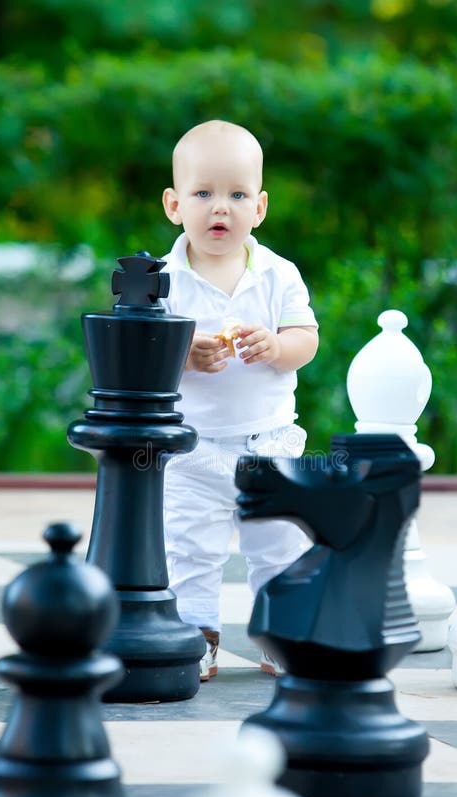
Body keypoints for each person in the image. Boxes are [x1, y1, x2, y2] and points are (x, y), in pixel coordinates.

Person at [160, 120, 319, 680]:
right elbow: (142, 353)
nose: (219, 208)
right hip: (190, 448)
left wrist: (277, 345)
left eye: (236, 195)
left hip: (268, 441)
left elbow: (306, 341)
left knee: (278, 547)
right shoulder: (163, 281)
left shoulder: (279, 275)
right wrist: (184, 355)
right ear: (174, 204)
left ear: (260, 207)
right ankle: (194, 637)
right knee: (190, 550)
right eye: (203, 194)